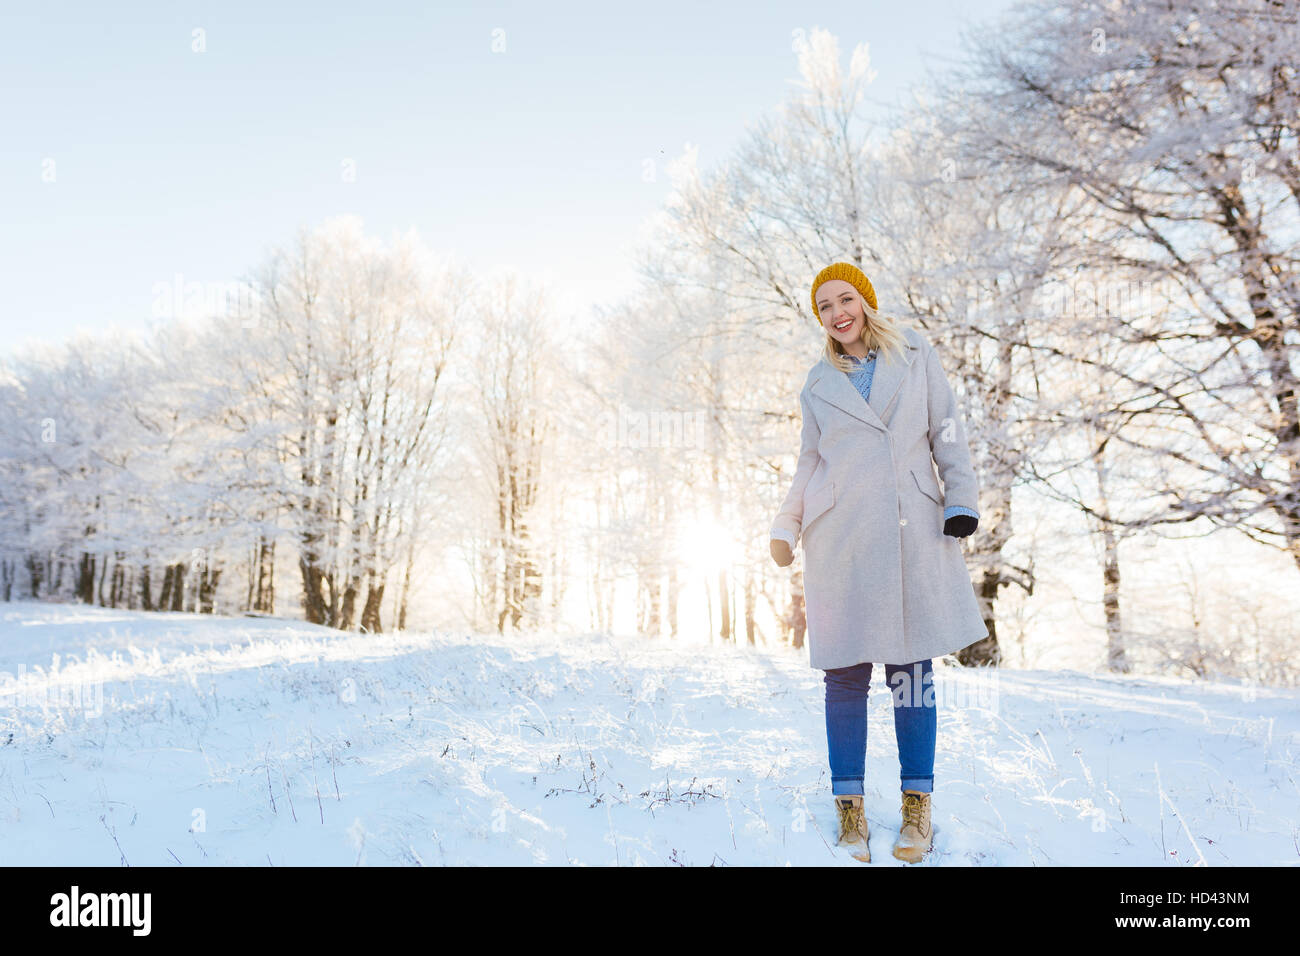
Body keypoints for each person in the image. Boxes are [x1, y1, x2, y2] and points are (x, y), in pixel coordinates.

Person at [769, 262, 989, 863]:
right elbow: (811, 462)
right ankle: (851, 813)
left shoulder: (916, 356)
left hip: (910, 529)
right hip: (839, 537)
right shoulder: (817, 384)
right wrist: (787, 524)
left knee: (911, 673)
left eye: (845, 299)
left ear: (865, 301)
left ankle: (917, 811)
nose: (837, 313)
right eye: (824, 307)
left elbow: (949, 432)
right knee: (842, 674)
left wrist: (961, 498)